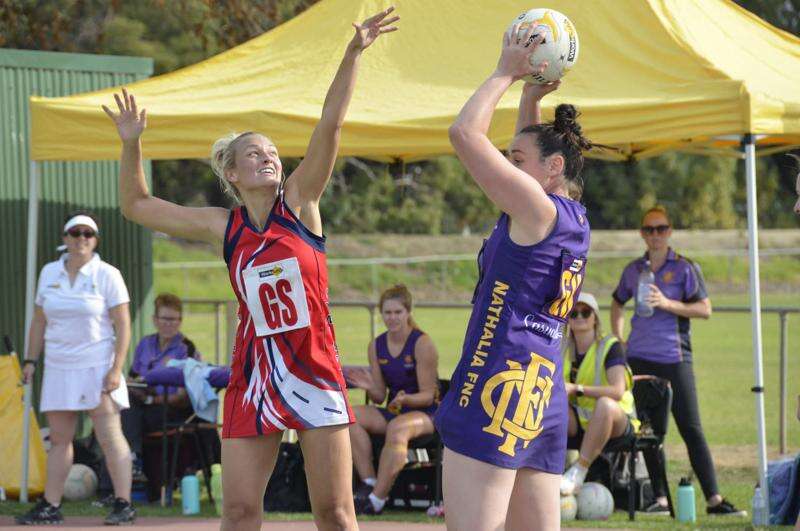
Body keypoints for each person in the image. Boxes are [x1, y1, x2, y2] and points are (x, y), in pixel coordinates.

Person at [102, 7, 399, 530]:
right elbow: (137, 205)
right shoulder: (226, 226)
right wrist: (131, 144)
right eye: (254, 153)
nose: (268, 158)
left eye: (272, 152)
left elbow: (330, 124)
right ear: (232, 173)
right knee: (239, 513)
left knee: (334, 513)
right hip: (255, 373)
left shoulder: (300, 202)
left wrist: (353, 54)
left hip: (313, 367)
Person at [434, 24, 592, 531]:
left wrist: (505, 72)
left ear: (553, 168)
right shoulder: (572, 216)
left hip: (496, 380)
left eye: (515, 161)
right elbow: (535, 160)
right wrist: (530, 100)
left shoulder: (536, 210)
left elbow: (463, 134)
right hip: (542, 389)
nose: (507, 167)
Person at [610, 205, 745, 516]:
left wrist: (667, 303)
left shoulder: (685, 268)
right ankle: (659, 499)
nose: (655, 235)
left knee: (691, 428)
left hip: (674, 358)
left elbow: (705, 309)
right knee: (647, 433)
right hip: (639, 359)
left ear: (669, 232)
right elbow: (617, 303)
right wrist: (620, 340)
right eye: (649, 229)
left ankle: (714, 499)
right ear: (642, 234)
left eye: (661, 228)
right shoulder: (634, 269)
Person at [16, 211, 135, 526]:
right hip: (58, 366)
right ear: (65, 238)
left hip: (97, 365)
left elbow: (123, 325)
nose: (82, 238)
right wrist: (30, 361)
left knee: (109, 436)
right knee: (59, 439)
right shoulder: (49, 272)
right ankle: (51, 505)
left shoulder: (108, 274)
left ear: (95, 240)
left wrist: (115, 369)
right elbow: (39, 321)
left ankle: (124, 503)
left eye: (88, 234)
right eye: (76, 233)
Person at [345, 285, 439, 515]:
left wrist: (406, 400)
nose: (392, 317)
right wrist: (369, 386)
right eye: (387, 312)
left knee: (398, 427)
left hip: (427, 412)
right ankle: (369, 483)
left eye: (398, 312)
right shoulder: (376, 345)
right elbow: (379, 397)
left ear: (408, 312)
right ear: (381, 314)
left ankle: (377, 500)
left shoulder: (422, 343)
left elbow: (428, 395)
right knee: (349, 416)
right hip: (395, 409)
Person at [120, 293, 201, 491]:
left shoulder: (187, 349)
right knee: (123, 406)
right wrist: (139, 390)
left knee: (125, 415)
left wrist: (151, 399)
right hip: (143, 404)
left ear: (180, 321)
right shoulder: (145, 344)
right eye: (165, 319)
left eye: (174, 319)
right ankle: (131, 464)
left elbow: (184, 396)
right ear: (155, 320)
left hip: (172, 409)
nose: (169, 324)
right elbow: (133, 378)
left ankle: (133, 460)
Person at [559, 292, 638, 495]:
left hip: (618, 419)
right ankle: (545, 469)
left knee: (605, 404)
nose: (579, 317)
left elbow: (617, 391)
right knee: (549, 403)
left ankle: (579, 470)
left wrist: (576, 389)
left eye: (585, 312)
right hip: (580, 421)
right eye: (574, 313)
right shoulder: (561, 348)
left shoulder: (610, 346)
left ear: (595, 318)